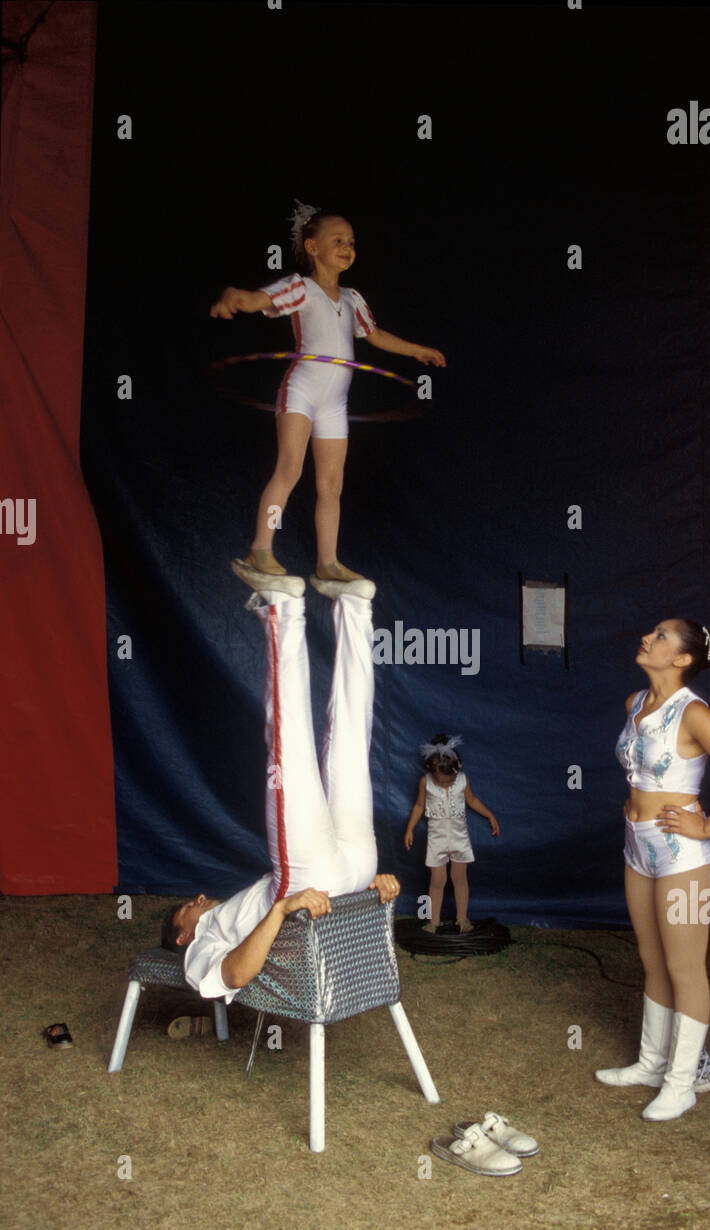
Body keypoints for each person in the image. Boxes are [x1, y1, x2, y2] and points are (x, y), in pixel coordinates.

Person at [163, 571, 399, 1002]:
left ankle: (356, 607)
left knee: (349, 744)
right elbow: (233, 977)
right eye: (185, 909)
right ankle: (282, 607)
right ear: (182, 936)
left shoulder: (227, 913)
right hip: (310, 884)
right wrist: (281, 908)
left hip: (347, 877)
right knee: (288, 750)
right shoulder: (200, 949)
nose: (197, 899)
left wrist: (369, 890)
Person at [210, 202, 446, 597]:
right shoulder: (300, 287)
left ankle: (328, 564)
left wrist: (417, 350)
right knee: (289, 469)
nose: (347, 247)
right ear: (312, 247)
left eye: (351, 242)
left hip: (336, 402)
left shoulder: (353, 298)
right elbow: (262, 300)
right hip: (302, 390)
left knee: (332, 484)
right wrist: (239, 298)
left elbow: (374, 335)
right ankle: (260, 551)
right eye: (337, 240)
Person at [595, 618, 710, 1120]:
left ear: (683, 659)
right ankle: (652, 1063)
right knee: (652, 961)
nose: (647, 638)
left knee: (685, 967)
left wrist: (707, 826)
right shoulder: (635, 703)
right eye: (649, 632)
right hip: (637, 845)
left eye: (662, 637)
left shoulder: (693, 713)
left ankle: (682, 1082)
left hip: (682, 855)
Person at [404, 734, 500, 933]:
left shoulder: (463, 780)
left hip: (459, 838)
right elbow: (419, 805)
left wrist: (489, 815)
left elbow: (472, 800)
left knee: (460, 879)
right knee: (437, 881)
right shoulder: (425, 782)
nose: (447, 785)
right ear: (430, 769)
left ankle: (462, 919)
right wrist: (410, 828)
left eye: (450, 782)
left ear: (458, 769)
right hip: (436, 839)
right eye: (443, 783)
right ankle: (433, 921)